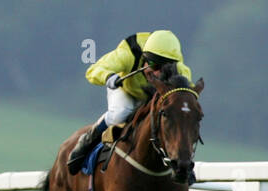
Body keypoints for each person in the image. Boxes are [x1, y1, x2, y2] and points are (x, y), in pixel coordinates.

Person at [66, 29, 192, 173]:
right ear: (144, 58)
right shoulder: (129, 53)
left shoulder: (182, 71)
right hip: (125, 88)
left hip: (152, 97)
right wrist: (109, 77)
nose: (157, 73)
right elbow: (93, 70)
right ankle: (87, 140)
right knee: (120, 113)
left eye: (165, 68)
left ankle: (184, 162)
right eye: (153, 65)